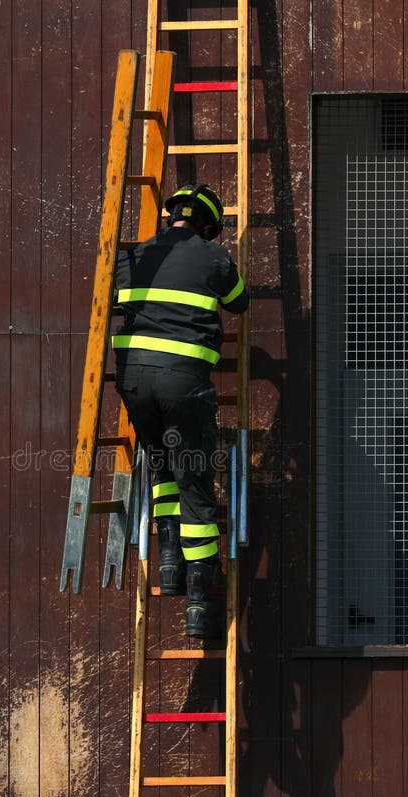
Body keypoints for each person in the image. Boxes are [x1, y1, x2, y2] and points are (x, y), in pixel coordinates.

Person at [112, 184, 249, 638]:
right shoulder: (213, 257)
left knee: (161, 464)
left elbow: (113, 301)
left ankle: (169, 564)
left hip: (133, 382)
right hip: (182, 382)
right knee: (193, 480)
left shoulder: (136, 256)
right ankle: (197, 599)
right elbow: (241, 301)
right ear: (209, 224)